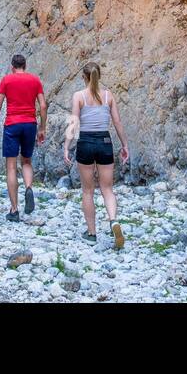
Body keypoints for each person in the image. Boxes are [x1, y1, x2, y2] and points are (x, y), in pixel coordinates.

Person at [63, 62, 129, 248]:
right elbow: (117, 122)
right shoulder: (109, 96)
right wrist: (125, 145)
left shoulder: (79, 96)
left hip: (85, 142)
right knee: (107, 189)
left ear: (84, 77)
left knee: (88, 191)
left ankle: (91, 233)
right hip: (105, 142)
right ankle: (113, 220)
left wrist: (66, 146)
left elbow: (74, 123)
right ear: (99, 76)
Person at [0, 54, 46, 222]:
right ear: (25, 65)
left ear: (12, 66)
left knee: (11, 167)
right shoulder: (35, 80)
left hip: (12, 125)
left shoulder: (7, 80)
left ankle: (14, 209)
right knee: (26, 161)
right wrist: (42, 127)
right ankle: (28, 188)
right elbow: (43, 105)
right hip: (30, 125)